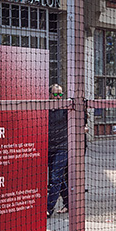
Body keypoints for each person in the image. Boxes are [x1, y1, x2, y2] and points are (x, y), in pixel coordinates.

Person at [47, 83, 69, 216]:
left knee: (55, 178)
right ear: (50, 95)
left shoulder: (65, 108)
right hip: (49, 147)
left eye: (60, 94)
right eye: (55, 94)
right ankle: (69, 203)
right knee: (57, 179)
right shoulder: (46, 108)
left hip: (62, 147)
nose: (58, 97)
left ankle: (48, 209)